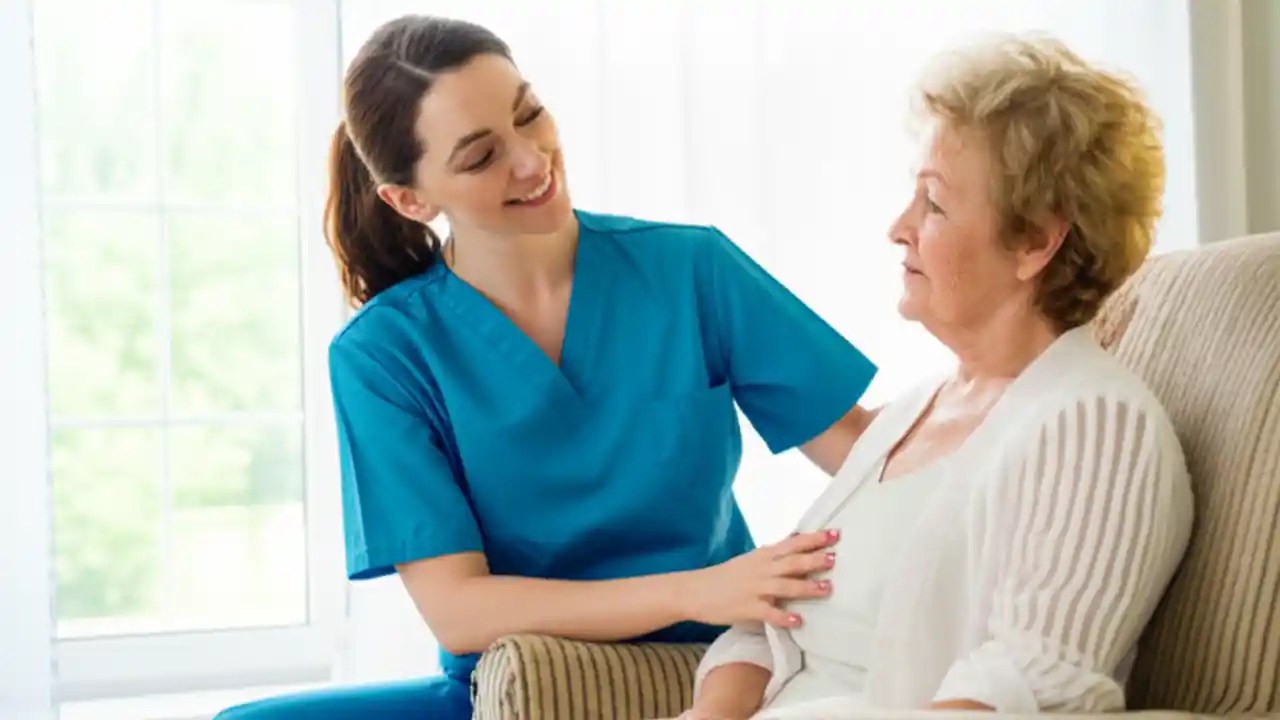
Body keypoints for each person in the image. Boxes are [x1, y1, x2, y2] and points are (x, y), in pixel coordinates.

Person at [216, 14, 878, 720]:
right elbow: (460, 611)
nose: (532, 161)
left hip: (717, 665)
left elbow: (866, 459)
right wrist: (697, 587)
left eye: (530, 114)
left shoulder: (692, 269)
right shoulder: (384, 355)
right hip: (517, 680)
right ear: (410, 200)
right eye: (480, 157)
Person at [683, 33, 1194, 719]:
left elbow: (1033, 682)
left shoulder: (1096, 420)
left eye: (935, 204)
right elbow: (763, 626)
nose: (899, 228)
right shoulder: (912, 412)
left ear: (1037, 242)